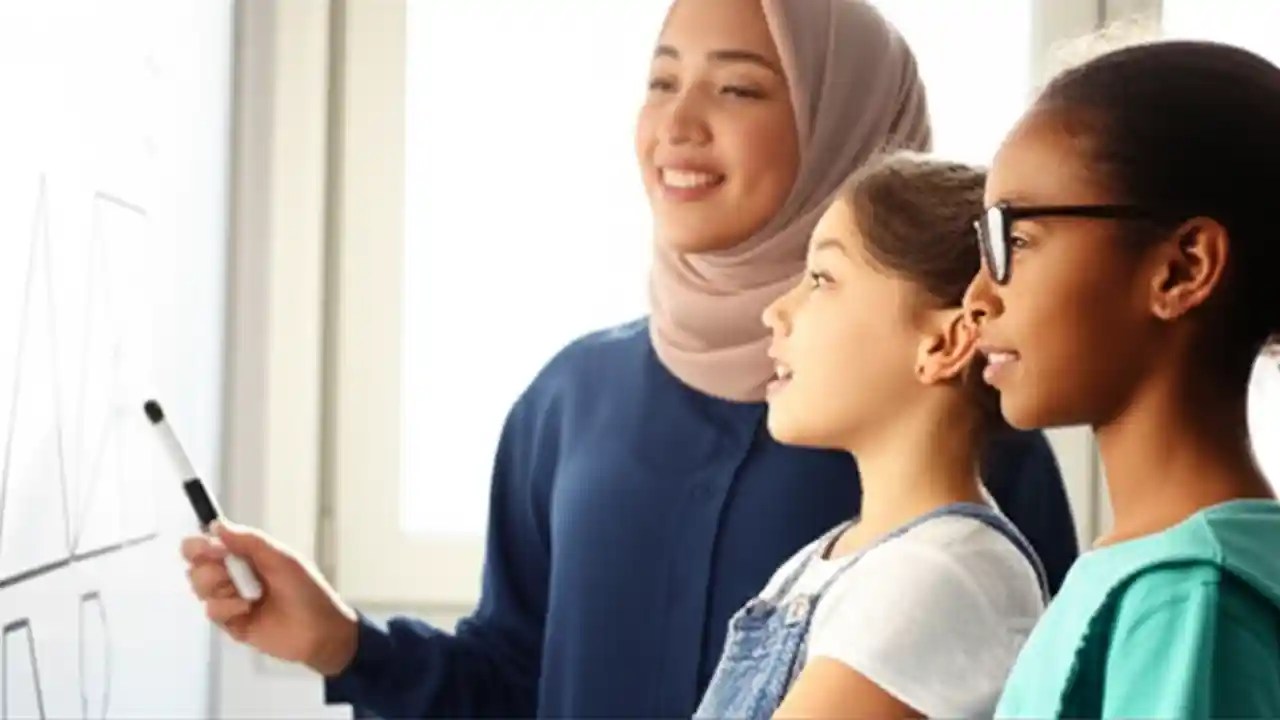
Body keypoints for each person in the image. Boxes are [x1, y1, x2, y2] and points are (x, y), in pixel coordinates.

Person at [182, 0, 1078, 717]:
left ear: (846, 128)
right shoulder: (570, 402)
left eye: (738, 90)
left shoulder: (976, 437)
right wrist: (344, 644)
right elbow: (515, 684)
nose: (679, 124)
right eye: (660, 81)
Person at [963, 39, 1280, 718]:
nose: (977, 296)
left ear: (1183, 269)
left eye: (1014, 240)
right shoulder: (1149, 575)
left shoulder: (1189, 599)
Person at [694, 152, 1049, 720]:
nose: (775, 312)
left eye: (821, 279)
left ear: (943, 344)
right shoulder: (825, 564)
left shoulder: (941, 575)